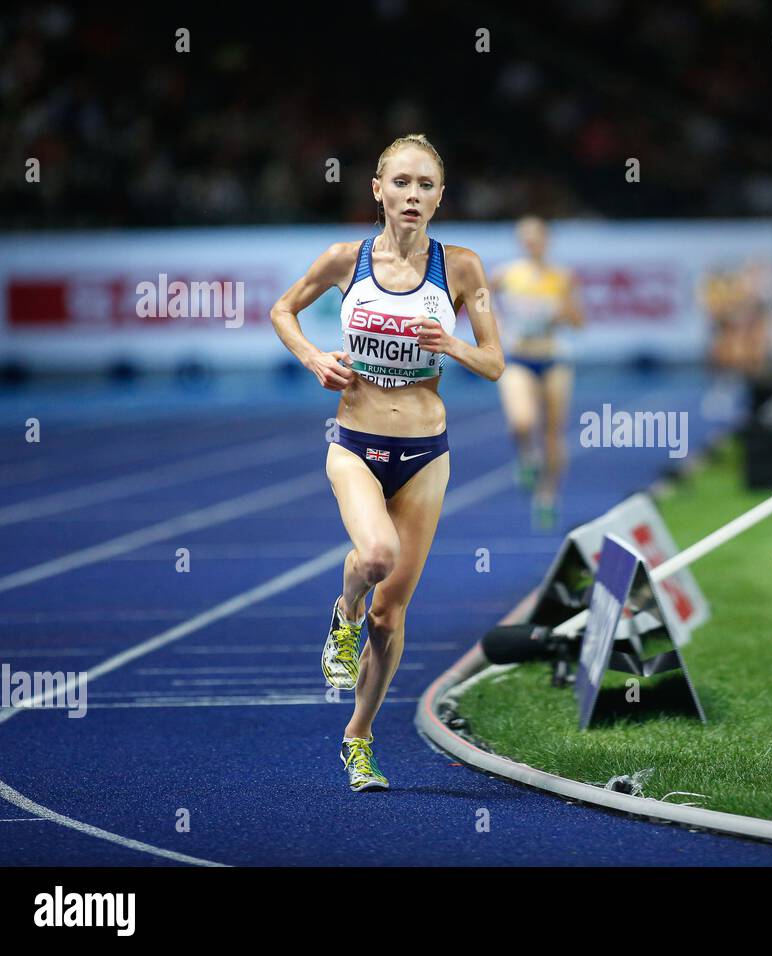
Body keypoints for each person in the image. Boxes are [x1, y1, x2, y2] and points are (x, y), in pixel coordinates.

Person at [270, 133, 504, 791]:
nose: (413, 196)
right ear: (377, 189)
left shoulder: (460, 268)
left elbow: (495, 363)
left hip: (427, 453)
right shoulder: (345, 259)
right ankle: (341, 616)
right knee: (373, 558)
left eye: (426, 186)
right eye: (401, 182)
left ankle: (359, 738)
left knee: (392, 616)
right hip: (354, 443)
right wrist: (314, 357)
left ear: (439, 198)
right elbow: (281, 310)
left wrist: (452, 344)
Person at [491, 216, 584, 530]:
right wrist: (496, 325)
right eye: (526, 238)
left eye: (537, 237)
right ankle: (527, 454)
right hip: (518, 358)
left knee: (554, 433)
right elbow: (479, 299)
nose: (532, 243)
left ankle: (547, 496)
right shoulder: (506, 274)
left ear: (546, 241)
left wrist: (563, 312)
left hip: (553, 358)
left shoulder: (562, 277)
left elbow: (578, 322)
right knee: (522, 421)